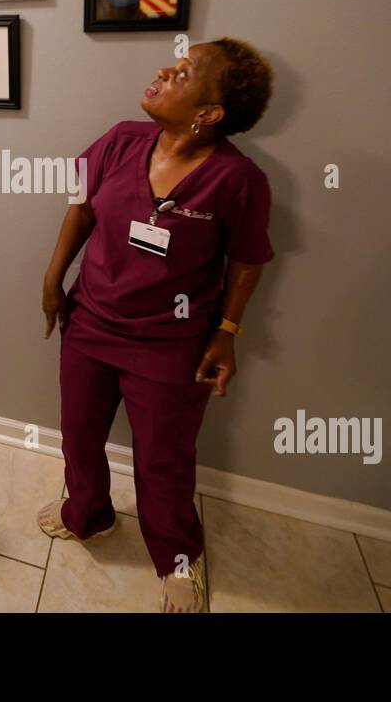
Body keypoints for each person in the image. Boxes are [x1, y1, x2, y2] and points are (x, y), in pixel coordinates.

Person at [38, 38, 275, 613]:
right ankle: (87, 515)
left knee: (162, 462)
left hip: (172, 345)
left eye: (185, 72)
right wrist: (53, 279)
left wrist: (227, 332)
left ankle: (176, 558)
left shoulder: (237, 180)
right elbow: (83, 205)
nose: (165, 71)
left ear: (209, 113)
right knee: (80, 433)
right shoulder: (122, 139)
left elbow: (247, 260)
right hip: (91, 321)